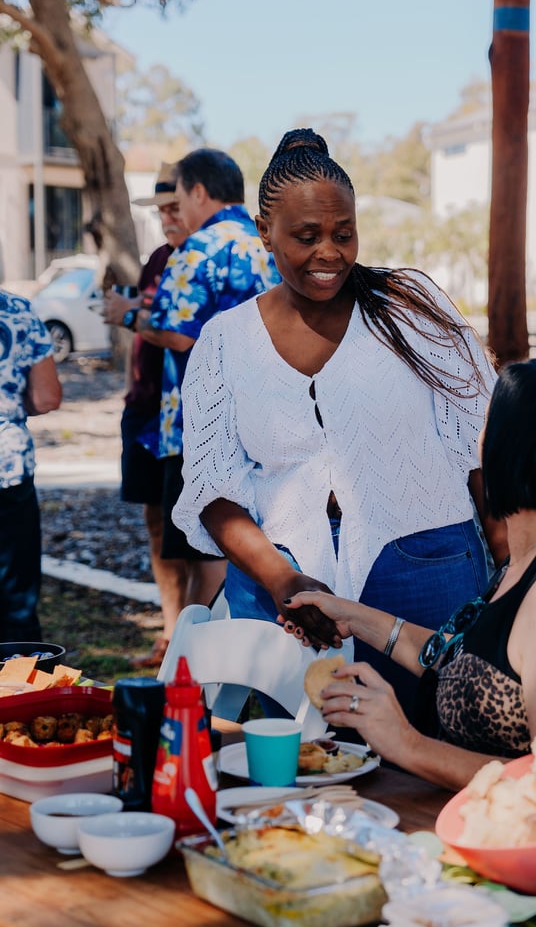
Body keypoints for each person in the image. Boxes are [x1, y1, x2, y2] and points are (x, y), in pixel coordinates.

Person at [172, 128, 507, 718]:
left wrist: (510, 563)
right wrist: (282, 580)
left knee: (430, 739)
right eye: (306, 237)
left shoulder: (411, 308)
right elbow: (213, 489)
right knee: (301, 755)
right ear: (264, 231)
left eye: (343, 233)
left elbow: (481, 440)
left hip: (424, 567)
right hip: (279, 582)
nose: (329, 253)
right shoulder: (224, 342)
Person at [283, 359, 536, 791]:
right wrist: (350, 616)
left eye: (486, 423)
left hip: (531, 830)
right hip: (478, 815)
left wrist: (405, 743)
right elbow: (468, 662)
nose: (477, 437)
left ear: (510, 452)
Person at [111, 148, 281, 625]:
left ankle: (196, 661)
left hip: (198, 423)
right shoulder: (269, 241)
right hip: (266, 415)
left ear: (200, 192)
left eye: (180, 197)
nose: (178, 210)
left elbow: (177, 334)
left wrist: (130, 318)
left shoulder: (198, 248)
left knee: (202, 554)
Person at [103, 162, 190, 668]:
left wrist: (131, 314)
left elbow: (178, 331)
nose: (167, 218)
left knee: (192, 531)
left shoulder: (203, 262)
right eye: (160, 211)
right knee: (155, 520)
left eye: (174, 207)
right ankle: (170, 629)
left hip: (180, 416)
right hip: (143, 408)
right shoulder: (159, 258)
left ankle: (196, 641)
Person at [0, 290, 62, 642]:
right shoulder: (16, 310)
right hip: (7, 466)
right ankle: (18, 673)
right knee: (15, 604)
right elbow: (46, 396)